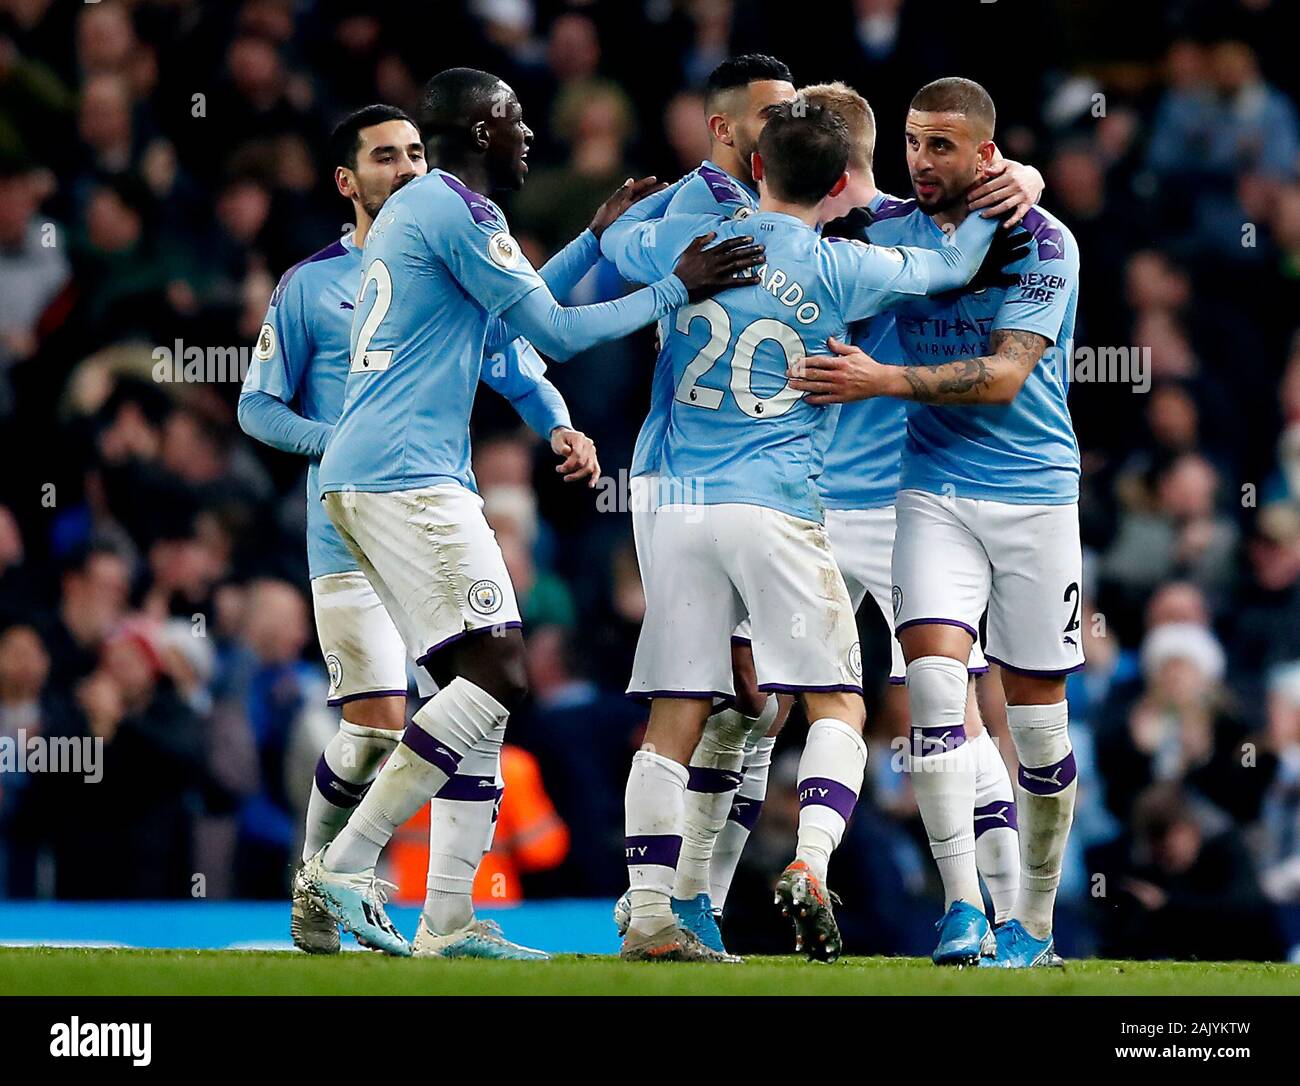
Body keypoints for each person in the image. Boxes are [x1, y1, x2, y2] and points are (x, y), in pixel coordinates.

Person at [296, 68, 762, 956]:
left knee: (480, 695)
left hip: (387, 472)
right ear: (476, 129)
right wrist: (678, 286)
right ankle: (344, 871)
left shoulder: (426, 213)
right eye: (512, 118)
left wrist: (590, 243)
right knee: (504, 673)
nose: (528, 135)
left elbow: (512, 322)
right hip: (405, 474)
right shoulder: (459, 211)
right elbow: (555, 333)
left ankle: (445, 920)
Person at [608, 99, 1003, 961]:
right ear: (838, 186)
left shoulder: (691, 245)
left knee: (677, 713)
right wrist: (1023, 186)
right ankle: (812, 860)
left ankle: (647, 912)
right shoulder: (843, 267)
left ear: (755, 169)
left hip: (673, 503)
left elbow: (610, 244)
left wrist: (630, 216)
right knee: (838, 702)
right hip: (774, 502)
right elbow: (951, 264)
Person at [238, 103, 608, 958]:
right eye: (383, 156)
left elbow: (518, 356)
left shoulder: (445, 255)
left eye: (413, 152)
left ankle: (446, 917)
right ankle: (321, 880)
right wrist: (340, 440)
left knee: (476, 705)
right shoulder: (308, 284)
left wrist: (556, 422)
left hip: (430, 503)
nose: (404, 168)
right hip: (352, 526)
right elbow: (256, 405)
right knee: (374, 726)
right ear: (346, 180)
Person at [790, 77, 1082, 969]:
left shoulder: (1042, 238)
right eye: (913, 142)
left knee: (1039, 734)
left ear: (985, 152)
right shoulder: (884, 233)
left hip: (1036, 492)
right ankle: (962, 909)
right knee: (936, 694)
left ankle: (1032, 919)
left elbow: (1001, 378)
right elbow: (787, 228)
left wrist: (881, 381)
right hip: (931, 490)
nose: (921, 160)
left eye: (942, 145)